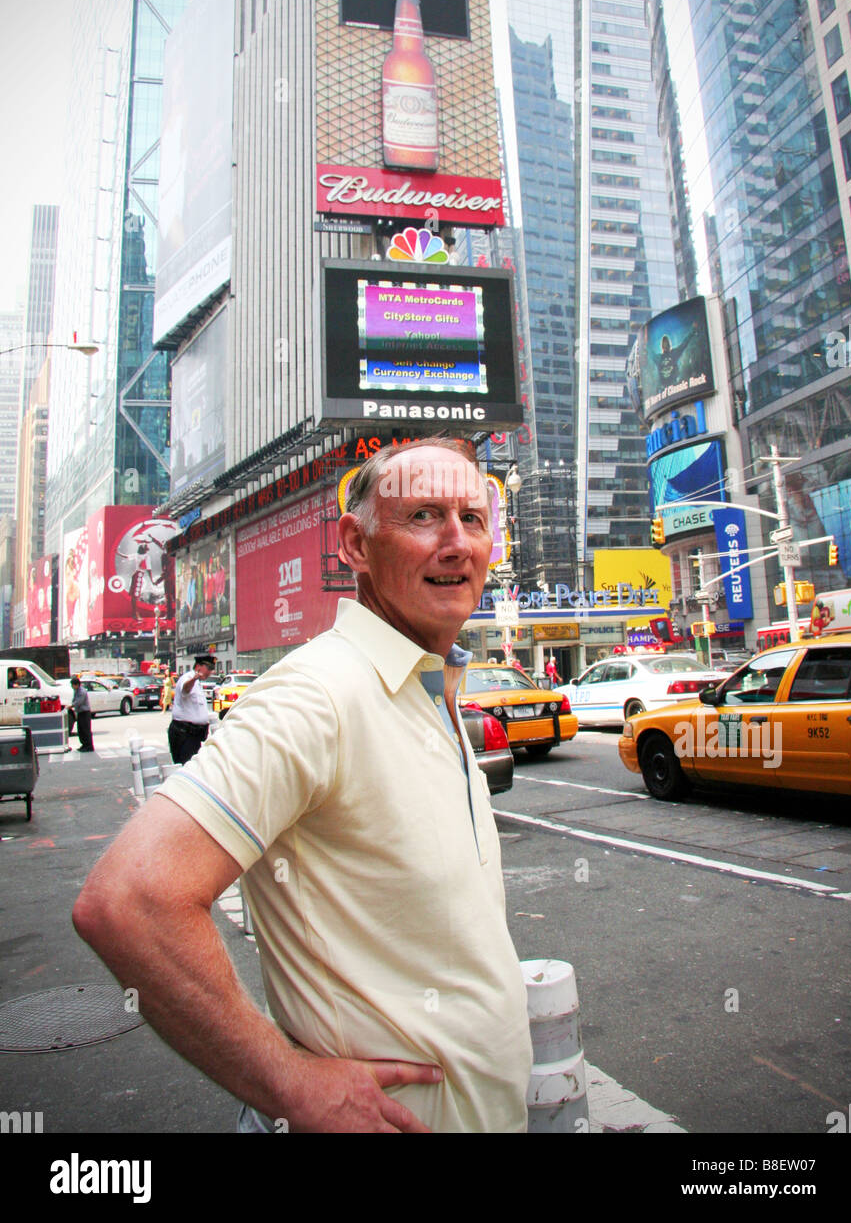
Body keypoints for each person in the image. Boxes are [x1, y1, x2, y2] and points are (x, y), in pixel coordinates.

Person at [73, 438, 532, 1133]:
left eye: (473, 518)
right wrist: (286, 1081)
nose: (457, 542)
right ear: (354, 543)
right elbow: (128, 901)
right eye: (423, 517)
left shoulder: (429, 681)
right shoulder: (317, 695)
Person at [167, 656, 215, 764]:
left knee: (193, 765)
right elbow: (186, 689)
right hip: (185, 733)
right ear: (198, 667)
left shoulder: (198, 683)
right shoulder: (188, 678)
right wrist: (194, 678)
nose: (210, 672)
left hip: (195, 735)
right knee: (187, 765)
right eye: (208, 669)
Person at [70, 676, 94, 753]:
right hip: (80, 712)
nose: (72, 687)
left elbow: (78, 702)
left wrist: (71, 706)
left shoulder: (82, 692)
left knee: (86, 730)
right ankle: (84, 744)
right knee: (80, 730)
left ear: (76, 684)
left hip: (85, 712)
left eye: (72, 685)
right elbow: (74, 700)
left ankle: (89, 746)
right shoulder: (76, 691)